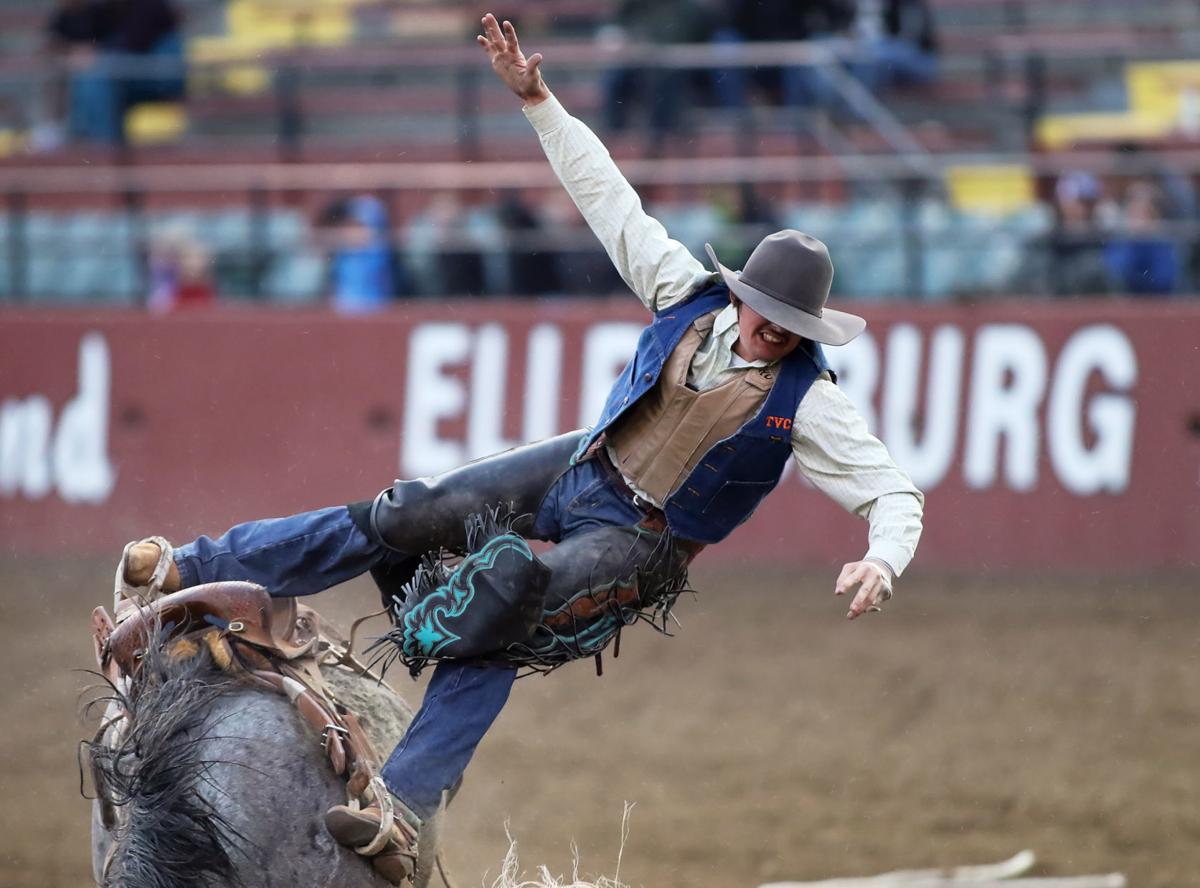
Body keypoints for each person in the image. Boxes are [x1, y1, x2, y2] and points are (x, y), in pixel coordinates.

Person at [115, 14, 923, 885]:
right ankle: (197, 570)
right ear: (744, 294)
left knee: (503, 601)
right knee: (405, 512)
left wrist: (882, 558)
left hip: (642, 542)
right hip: (583, 465)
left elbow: (892, 492)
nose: (774, 335)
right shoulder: (687, 295)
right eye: (768, 314)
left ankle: (403, 807)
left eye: (790, 327)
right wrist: (540, 103)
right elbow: (611, 199)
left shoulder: (813, 401)